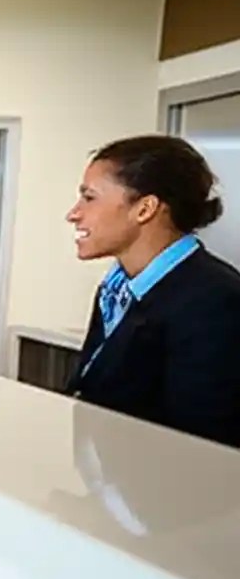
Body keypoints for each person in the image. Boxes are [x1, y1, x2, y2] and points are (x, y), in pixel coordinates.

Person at [64, 134, 240, 449]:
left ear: (145, 208)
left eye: (89, 198)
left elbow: (201, 446)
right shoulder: (118, 286)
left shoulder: (214, 300)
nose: (74, 214)